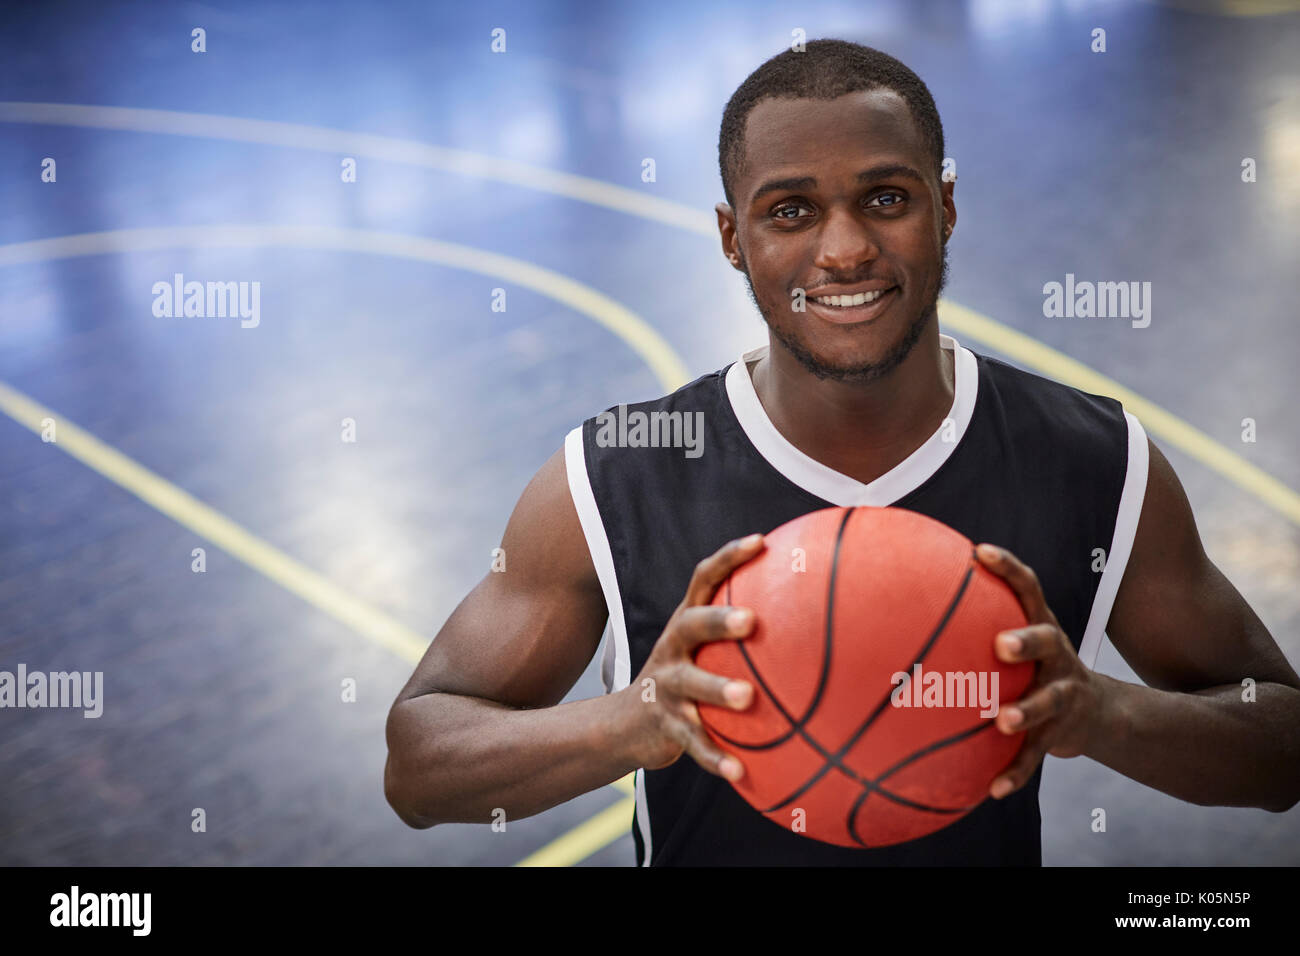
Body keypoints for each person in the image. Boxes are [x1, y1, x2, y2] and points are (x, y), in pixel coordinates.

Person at [383, 39, 1300, 865]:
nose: (846, 249)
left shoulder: (1094, 462)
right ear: (733, 239)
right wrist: (633, 721)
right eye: (790, 212)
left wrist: (1106, 714)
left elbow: (1283, 745)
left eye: (887, 199)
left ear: (945, 208)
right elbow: (419, 766)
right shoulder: (617, 475)